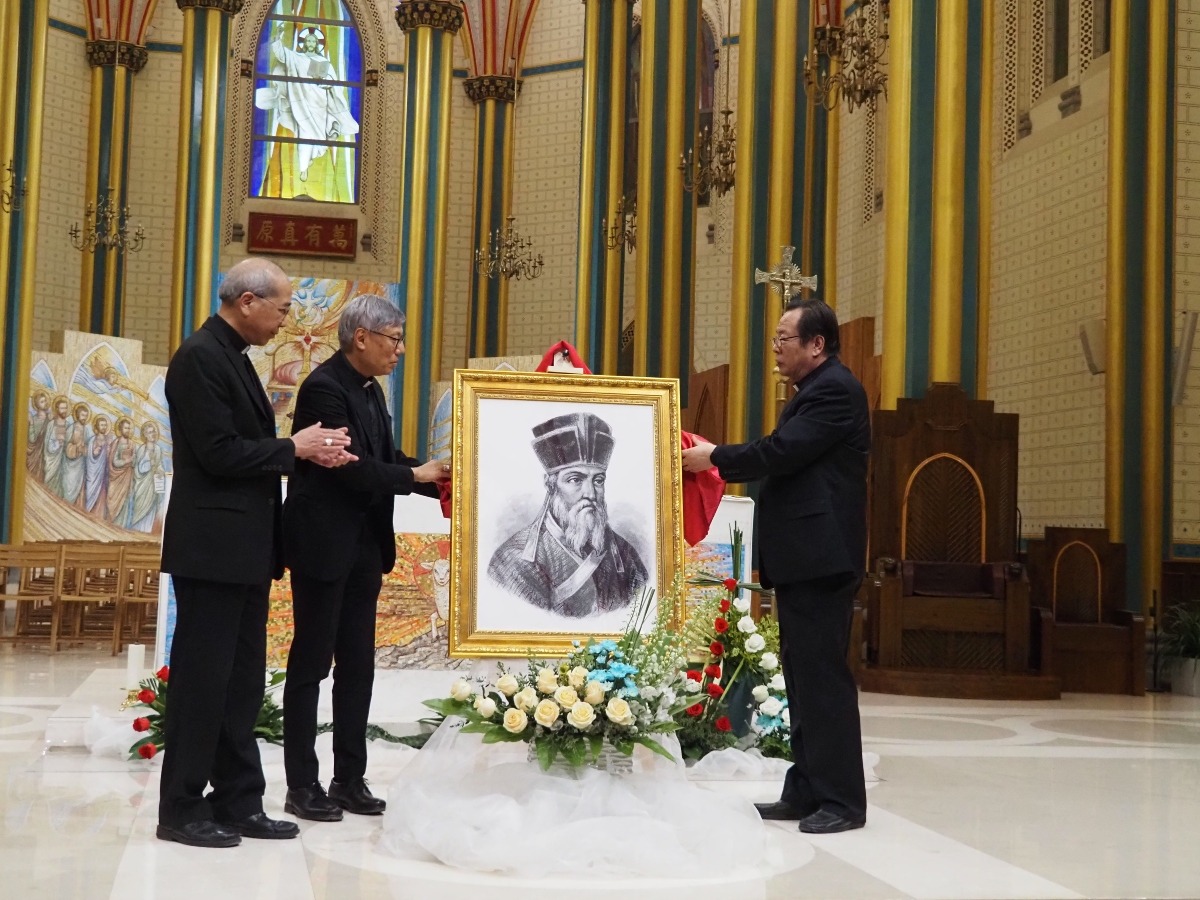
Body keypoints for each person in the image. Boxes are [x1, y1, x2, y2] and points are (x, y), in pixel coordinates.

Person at [157, 257, 354, 849]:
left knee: (241, 683)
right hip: (212, 550)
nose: (287, 320)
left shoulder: (232, 357)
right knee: (202, 682)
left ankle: (239, 800)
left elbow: (241, 448)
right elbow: (218, 453)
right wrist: (292, 447)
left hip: (242, 550)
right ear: (247, 301)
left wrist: (294, 451)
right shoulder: (199, 358)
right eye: (283, 308)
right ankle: (181, 809)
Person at [681, 298, 870, 835]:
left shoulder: (835, 389)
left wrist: (716, 458)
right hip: (805, 556)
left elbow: (781, 452)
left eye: (785, 338)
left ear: (817, 343)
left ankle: (842, 802)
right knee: (802, 677)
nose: (777, 348)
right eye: (776, 338)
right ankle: (808, 790)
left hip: (822, 557)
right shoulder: (812, 390)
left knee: (823, 681)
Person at [281, 294, 448, 822]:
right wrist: (414, 477)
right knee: (311, 666)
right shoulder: (324, 388)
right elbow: (348, 466)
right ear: (362, 337)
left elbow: (384, 459)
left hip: (363, 548)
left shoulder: (372, 390)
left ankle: (349, 779)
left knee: (358, 667)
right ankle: (302, 785)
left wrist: (441, 478)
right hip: (324, 546)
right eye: (394, 339)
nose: (399, 350)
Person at [487, 412, 648, 618]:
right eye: (575, 479)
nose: (590, 493)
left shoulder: (624, 553)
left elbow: (644, 615)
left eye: (598, 480)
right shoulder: (513, 559)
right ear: (550, 484)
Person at [255, 23, 359, 187]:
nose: (310, 44)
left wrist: (325, 83)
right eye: (308, 41)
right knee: (304, 134)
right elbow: (282, 55)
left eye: (313, 42)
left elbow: (332, 84)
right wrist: (278, 37)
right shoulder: (297, 58)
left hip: (319, 103)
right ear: (304, 44)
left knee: (318, 136)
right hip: (302, 103)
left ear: (317, 44)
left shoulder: (324, 62)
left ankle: (314, 154)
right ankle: (303, 167)